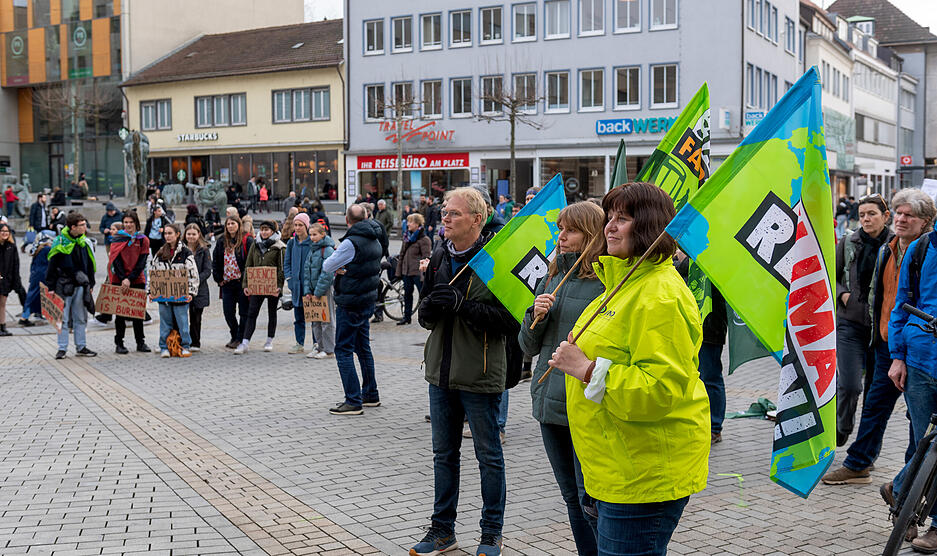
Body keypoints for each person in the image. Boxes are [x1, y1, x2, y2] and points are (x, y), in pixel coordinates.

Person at [549, 182, 708, 556]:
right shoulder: (623, 282)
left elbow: (660, 389)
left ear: (650, 226)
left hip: (642, 478)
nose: (610, 227)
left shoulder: (660, 295)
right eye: (609, 218)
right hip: (613, 469)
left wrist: (586, 368)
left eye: (623, 219)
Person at [411, 187, 517, 556]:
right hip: (440, 372)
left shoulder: (497, 258)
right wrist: (429, 311)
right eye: (444, 211)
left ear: (477, 218)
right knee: (444, 454)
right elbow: (425, 311)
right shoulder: (440, 255)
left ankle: (491, 534)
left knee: (489, 456)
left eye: (454, 213)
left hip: (480, 373)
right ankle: (442, 530)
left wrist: (462, 306)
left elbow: (511, 322)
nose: (445, 218)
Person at [823, 191, 935, 516]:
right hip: (889, 344)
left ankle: (909, 496)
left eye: (907, 215)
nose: (900, 219)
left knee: (920, 429)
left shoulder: (922, 250)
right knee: (874, 406)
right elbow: (890, 300)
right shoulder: (892, 248)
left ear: (925, 221)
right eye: (898, 214)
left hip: (919, 349)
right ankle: (859, 463)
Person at [519, 201, 606, 555]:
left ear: (590, 234)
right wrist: (533, 315)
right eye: (560, 228)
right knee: (571, 497)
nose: (562, 236)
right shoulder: (552, 274)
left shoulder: (605, 278)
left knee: (592, 499)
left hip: (583, 401)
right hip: (548, 401)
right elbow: (527, 346)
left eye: (570, 230)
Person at [886, 192, 937, 552]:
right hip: (921, 357)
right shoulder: (922, 249)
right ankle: (907, 510)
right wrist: (897, 357)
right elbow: (902, 303)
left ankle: (902, 493)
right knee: (923, 442)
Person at [833, 194, 894, 447]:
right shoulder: (848, 242)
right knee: (849, 385)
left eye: (872, 214)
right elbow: (830, 276)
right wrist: (843, 295)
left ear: (885, 216)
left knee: (874, 395)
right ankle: (842, 426)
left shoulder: (897, 244)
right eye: (862, 215)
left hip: (882, 329)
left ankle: (867, 449)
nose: (866, 219)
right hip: (851, 325)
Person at [322, 203, 386, 415]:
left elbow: (327, 265)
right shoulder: (375, 237)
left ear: (347, 220)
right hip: (367, 299)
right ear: (367, 216)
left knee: (343, 350)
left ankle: (353, 400)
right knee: (363, 348)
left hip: (350, 301)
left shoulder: (351, 243)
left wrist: (340, 264)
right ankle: (370, 394)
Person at [45, 212, 97, 359]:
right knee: (63, 318)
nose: (85, 227)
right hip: (63, 285)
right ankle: (62, 348)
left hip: (81, 285)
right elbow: (52, 265)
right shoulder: (60, 242)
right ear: (73, 227)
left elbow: (89, 264)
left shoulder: (84, 242)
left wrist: (91, 283)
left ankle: (81, 346)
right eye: (82, 225)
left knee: (80, 317)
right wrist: (51, 287)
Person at [147, 223, 198, 358]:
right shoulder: (159, 253)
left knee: (182, 322)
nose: (167, 236)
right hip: (163, 296)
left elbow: (193, 274)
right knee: (165, 323)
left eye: (170, 233)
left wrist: (191, 292)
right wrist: (150, 291)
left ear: (177, 235)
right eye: (165, 234)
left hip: (180, 295)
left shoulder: (185, 253)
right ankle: (164, 347)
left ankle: (185, 345)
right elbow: (152, 273)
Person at [237, 221, 285, 354]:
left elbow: (281, 269)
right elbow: (248, 265)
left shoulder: (279, 247)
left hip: (272, 286)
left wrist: (279, 287)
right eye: (262, 229)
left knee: (272, 312)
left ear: (273, 231)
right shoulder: (255, 244)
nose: (264, 232)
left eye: (267, 230)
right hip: (257, 285)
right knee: (252, 312)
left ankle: (269, 340)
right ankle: (245, 342)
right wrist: (246, 284)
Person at [108, 211, 150, 354]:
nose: (128, 225)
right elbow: (116, 260)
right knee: (120, 313)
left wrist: (130, 278)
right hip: (119, 279)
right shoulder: (118, 238)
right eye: (126, 222)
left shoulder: (143, 239)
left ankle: (141, 342)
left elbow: (142, 262)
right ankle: (119, 343)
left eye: (131, 222)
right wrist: (123, 278)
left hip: (136, 278)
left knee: (138, 313)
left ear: (136, 223)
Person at [212, 215, 253, 349]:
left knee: (243, 312)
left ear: (239, 225)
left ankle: (240, 338)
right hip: (227, 283)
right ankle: (234, 334)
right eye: (228, 224)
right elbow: (216, 260)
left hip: (242, 283)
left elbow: (251, 261)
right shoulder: (221, 241)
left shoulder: (247, 240)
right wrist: (219, 279)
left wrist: (248, 280)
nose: (230, 226)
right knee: (228, 312)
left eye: (233, 223)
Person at [301, 222, 336, 359]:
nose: (312, 237)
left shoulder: (327, 250)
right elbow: (307, 272)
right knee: (315, 320)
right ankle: (320, 346)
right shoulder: (312, 249)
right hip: (313, 291)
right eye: (310, 235)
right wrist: (308, 291)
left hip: (324, 291)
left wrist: (317, 292)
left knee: (327, 320)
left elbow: (327, 273)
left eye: (315, 234)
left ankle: (329, 349)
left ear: (323, 234)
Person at [284, 213, 313, 354]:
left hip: (310, 286)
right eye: (295, 225)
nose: (297, 228)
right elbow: (287, 263)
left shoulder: (313, 242)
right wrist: (289, 278)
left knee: (314, 317)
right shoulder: (291, 243)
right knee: (298, 317)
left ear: (306, 226)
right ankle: (299, 343)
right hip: (296, 285)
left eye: (300, 225)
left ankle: (317, 343)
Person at [396, 213, 432, 326]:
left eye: (410, 222)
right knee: (407, 295)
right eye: (408, 222)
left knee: (424, 296)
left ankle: (426, 317)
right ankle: (407, 317)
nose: (408, 224)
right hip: (406, 271)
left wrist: (423, 274)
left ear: (417, 224)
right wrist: (399, 270)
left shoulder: (424, 239)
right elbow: (401, 255)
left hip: (418, 273)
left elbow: (426, 258)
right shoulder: (406, 237)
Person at [184, 223, 212, 352]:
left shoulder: (204, 249)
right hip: (183, 288)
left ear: (198, 235)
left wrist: (195, 281)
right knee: (183, 315)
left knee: (196, 316)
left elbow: (207, 270)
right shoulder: (181, 249)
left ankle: (195, 341)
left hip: (199, 289)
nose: (191, 236)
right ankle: (183, 340)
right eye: (189, 234)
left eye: (193, 234)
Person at [19, 230, 55, 327]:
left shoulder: (38, 247)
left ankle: (37, 313)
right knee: (34, 295)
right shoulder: (47, 248)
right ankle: (24, 317)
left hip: (36, 274)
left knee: (35, 294)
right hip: (42, 274)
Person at [0, 222, 26, 336]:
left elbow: (16, 265)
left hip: (6, 280)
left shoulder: (12, 246)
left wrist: (16, 282)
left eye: (7, 231)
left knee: (2, 304)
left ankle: (2, 326)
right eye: (2, 231)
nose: (4, 233)